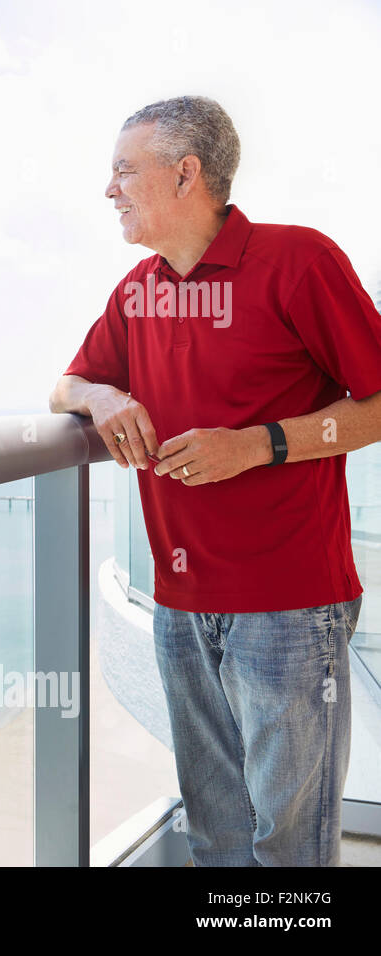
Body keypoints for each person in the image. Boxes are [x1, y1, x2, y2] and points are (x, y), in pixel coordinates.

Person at [49, 95, 381, 865]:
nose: (110, 190)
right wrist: (102, 394)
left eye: (125, 171)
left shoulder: (301, 262)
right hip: (180, 607)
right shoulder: (138, 291)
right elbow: (65, 385)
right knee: (215, 831)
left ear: (185, 174)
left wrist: (259, 445)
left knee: (289, 839)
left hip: (290, 609)